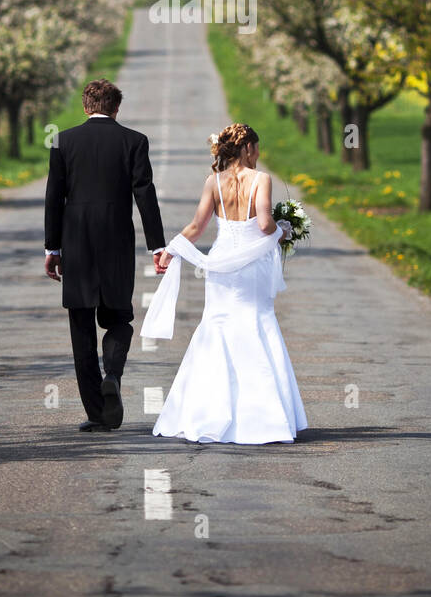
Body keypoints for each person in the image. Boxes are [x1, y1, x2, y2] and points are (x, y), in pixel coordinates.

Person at [146, 123, 307, 445]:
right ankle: (263, 418)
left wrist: (169, 250)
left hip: (220, 264)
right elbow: (264, 225)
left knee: (217, 326)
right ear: (247, 147)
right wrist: (285, 230)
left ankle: (203, 412)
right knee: (256, 323)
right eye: (257, 148)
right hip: (252, 265)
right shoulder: (261, 180)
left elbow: (196, 226)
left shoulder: (213, 182)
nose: (259, 155)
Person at [44, 78, 165, 431]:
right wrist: (157, 245)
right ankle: (112, 373)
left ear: (86, 106)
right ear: (116, 108)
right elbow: (145, 194)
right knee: (119, 318)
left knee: (81, 327)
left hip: (77, 244)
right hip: (116, 242)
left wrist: (53, 248)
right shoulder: (134, 141)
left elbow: (55, 197)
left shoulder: (63, 141)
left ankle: (98, 413)